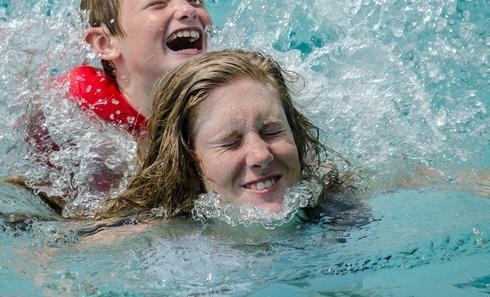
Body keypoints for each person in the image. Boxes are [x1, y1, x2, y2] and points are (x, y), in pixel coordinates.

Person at [96, 50, 343, 222]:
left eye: (272, 131)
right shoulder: (146, 237)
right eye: (231, 142)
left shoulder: (341, 213)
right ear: (187, 160)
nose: (261, 155)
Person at [60, 0, 212, 137]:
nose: (188, 9)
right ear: (105, 43)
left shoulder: (221, 101)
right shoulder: (82, 104)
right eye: (158, 3)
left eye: (195, 0)